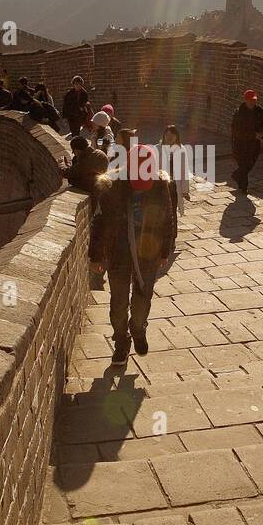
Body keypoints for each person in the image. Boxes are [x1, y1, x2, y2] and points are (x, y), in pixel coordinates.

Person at [89, 144, 179, 363]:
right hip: (118, 253)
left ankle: (138, 328)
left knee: (141, 302)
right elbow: (100, 222)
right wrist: (96, 255)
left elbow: (168, 219)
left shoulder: (161, 185)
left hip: (148, 254)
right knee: (118, 304)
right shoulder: (112, 186)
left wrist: (165, 250)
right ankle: (121, 341)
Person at [231, 89, 263, 193]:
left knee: (250, 164)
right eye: (251, 100)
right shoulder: (239, 113)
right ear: (246, 100)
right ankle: (244, 188)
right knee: (243, 165)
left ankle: (236, 175)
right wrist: (253, 135)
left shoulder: (259, 111)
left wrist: (262, 133)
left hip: (254, 144)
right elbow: (236, 131)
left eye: (254, 100)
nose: (253, 102)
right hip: (240, 144)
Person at [158, 124, 191, 216]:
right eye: (167, 135)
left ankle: (173, 229)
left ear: (176, 137)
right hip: (161, 185)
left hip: (175, 186)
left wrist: (185, 190)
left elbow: (184, 171)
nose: (169, 137)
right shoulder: (157, 149)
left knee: (172, 210)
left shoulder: (181, 149)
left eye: (172, 135)